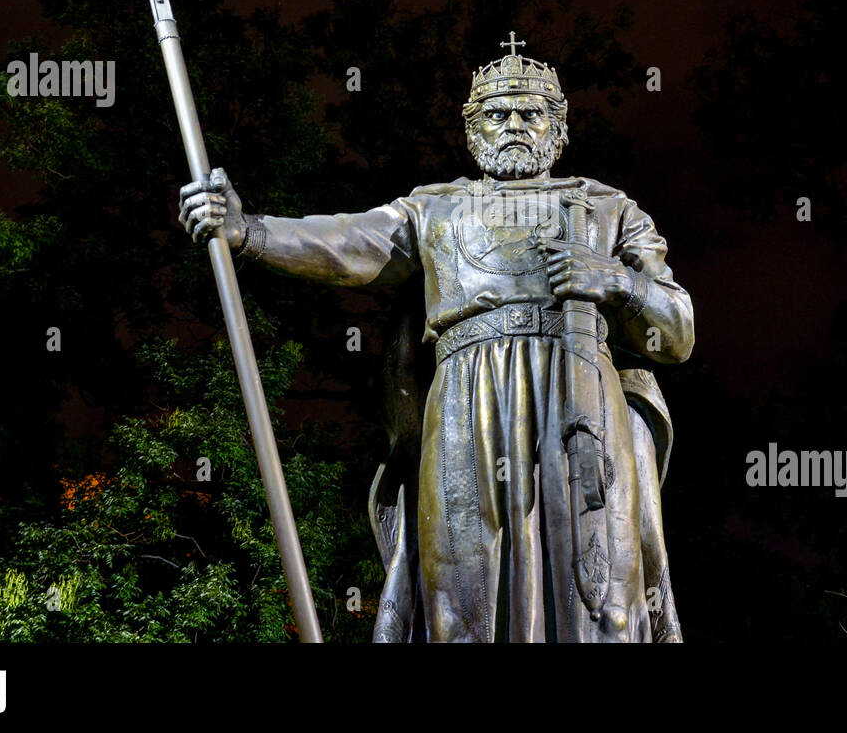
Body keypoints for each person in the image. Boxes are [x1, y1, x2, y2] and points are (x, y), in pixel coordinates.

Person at [180, 35, 693, 642]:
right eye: (497, 115)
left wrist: (617, 282)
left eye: (531, 114)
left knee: (598, 593)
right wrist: (251, 232)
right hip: (465, 405)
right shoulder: (436, 211)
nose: (513, 127)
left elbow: (678, 331)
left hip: (579, 401)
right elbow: (349, 243)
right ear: (473, 128)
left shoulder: (610, 210)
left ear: (558, 126)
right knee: (459, 595)